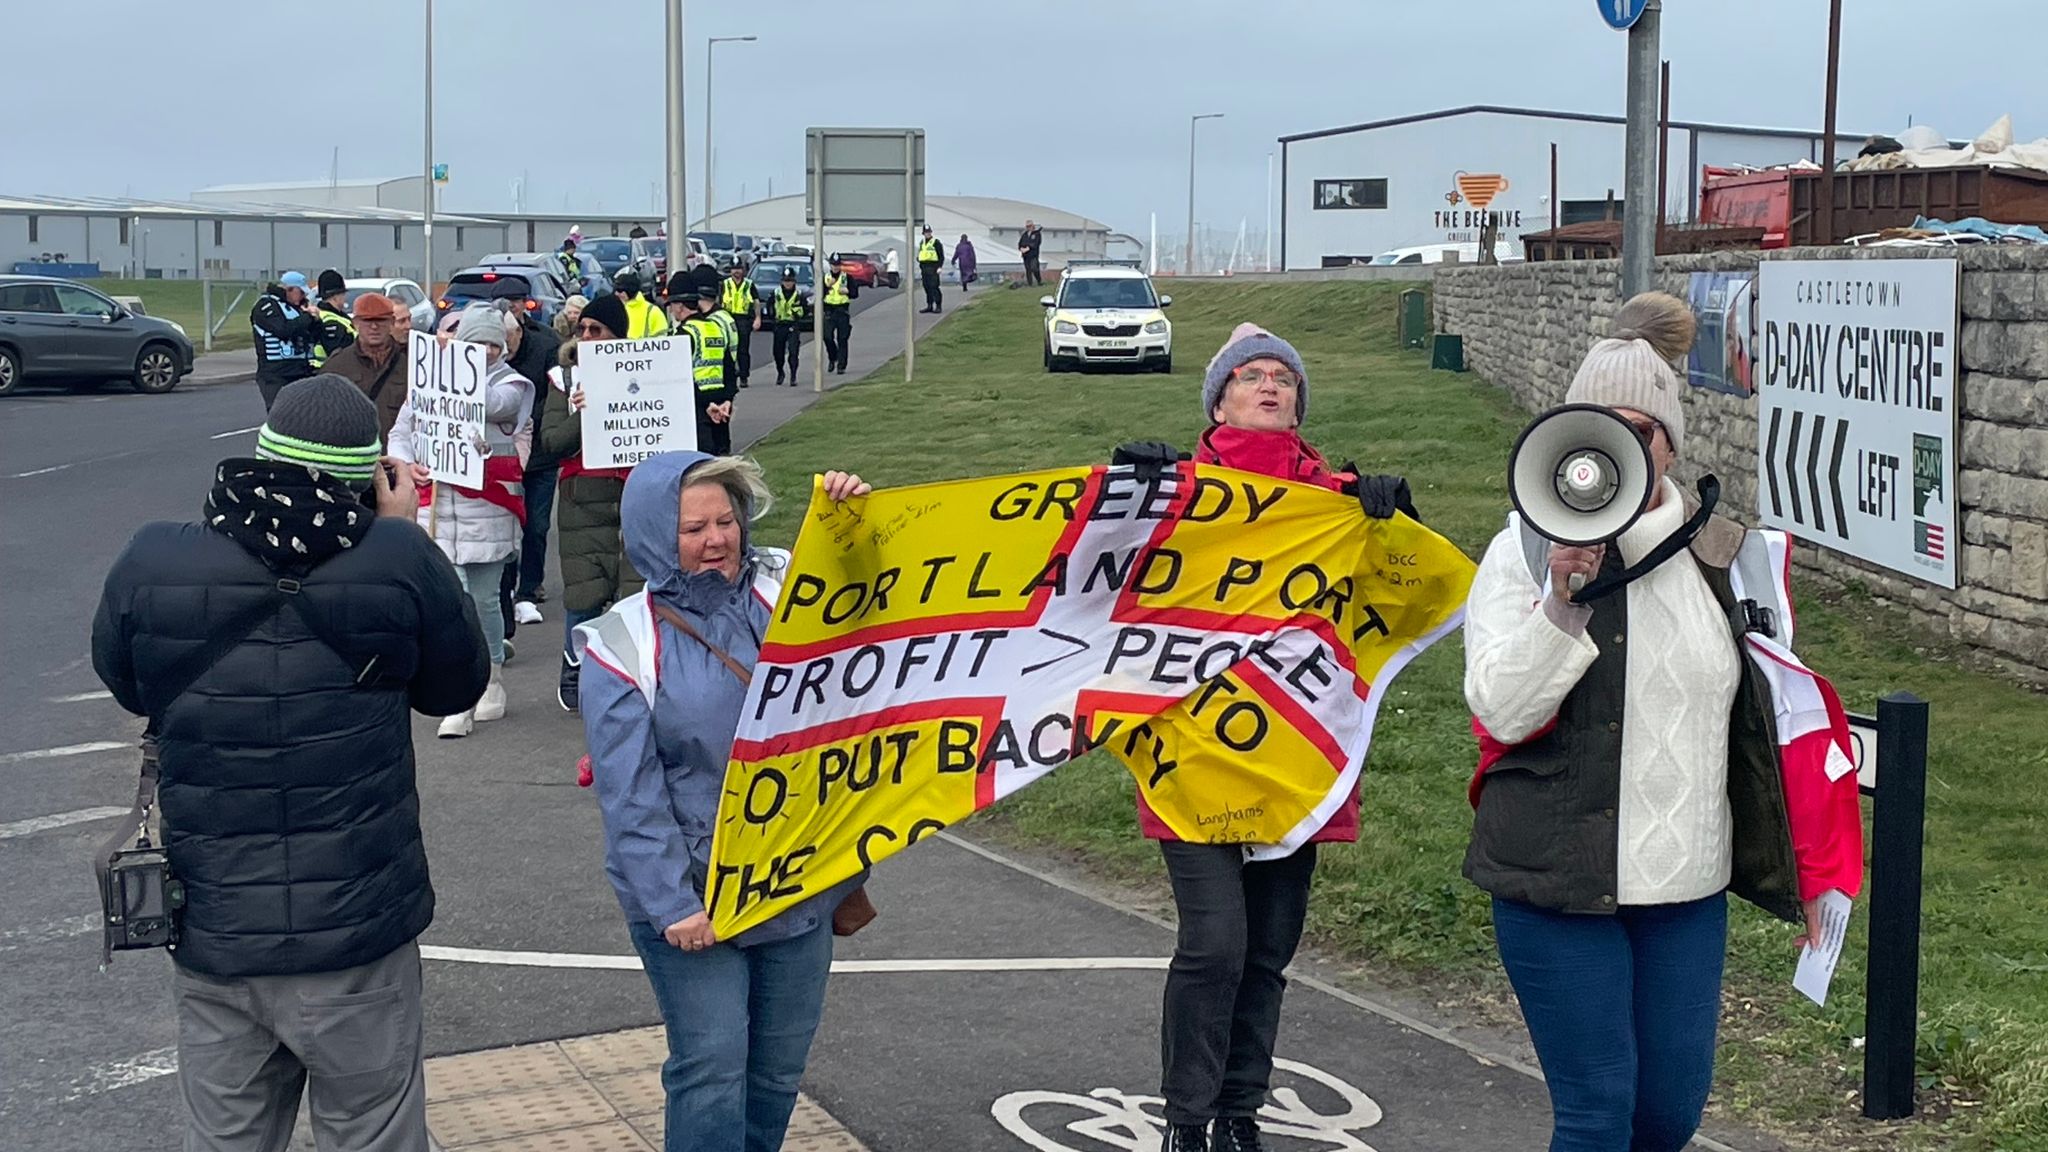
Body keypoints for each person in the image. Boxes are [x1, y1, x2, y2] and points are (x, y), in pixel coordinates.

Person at [1462, 293, 1864, 1152]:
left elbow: (1774, 718)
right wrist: (1561, 604)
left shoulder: (1722, 556)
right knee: (1598, 1114)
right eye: (1596, 424)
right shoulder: (1523, 553)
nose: (1620, 447)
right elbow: (1501, 706)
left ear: (1671, 445)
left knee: (1668, 1116)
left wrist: (1808, 853)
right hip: (1559, 881)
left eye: (1640, 430)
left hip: (1683, 889)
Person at [91, 376, 489, 1152]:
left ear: (263, 455)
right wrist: (400, 531)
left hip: (215, 930)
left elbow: (129, 681)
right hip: (356, 933)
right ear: (365, 474)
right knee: (373, 1132)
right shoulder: (397, 555)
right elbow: (456, 685)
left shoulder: (152, 559)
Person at [1111, 323, 1416, 1152]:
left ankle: (1240, 1115)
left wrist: (1397, 526)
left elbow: (1397, 597)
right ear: (1220, 400)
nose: (1270, 385)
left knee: (1267, 954)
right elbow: (1095, 578)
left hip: (1291, 760)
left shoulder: (1338, 498)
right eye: (1250, 376)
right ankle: (1186, 1120)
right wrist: (1125, 495)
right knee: (1214, 947)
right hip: (1197, 759)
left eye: (1284, 376)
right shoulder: (1175, 486)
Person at [578, 451, 870, 1152]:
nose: (717, 539)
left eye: (724, 520)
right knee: (711, 1069)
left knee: (775, 1074)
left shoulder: (782, 591)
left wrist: (850, 518)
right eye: (692, 528)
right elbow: (630, 793)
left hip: (796, 885)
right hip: (694, 898)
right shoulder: (622, 643)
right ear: (654, 536)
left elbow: (870, 602)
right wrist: (673, 902)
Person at [386, 305, 535, 739]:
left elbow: (491, 404)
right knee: (455, 600)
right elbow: (402, 430)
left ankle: (492, 678)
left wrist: (452, 365)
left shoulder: (512, 383)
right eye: (477, 342)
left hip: (488, 508)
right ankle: (462, 696)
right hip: (439, 510)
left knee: (485, 600)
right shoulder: (428, 381)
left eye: (492, 343)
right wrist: (407, 463)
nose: (485, 351)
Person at [539, 293, 642, 713]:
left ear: (617, 335)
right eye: (582, 330)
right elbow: (551, 442)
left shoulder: (645, 372)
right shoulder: (562, 380)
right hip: (583, 501)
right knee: (585, 590)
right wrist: (587, 412)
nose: (586, 336)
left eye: (596, 330)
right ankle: (575, 664)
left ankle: (628, 673)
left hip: (632, 496)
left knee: (632, 588)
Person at [497, 283, 566, 627]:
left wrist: (524, 415)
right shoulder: (483, 348)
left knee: (536, 525)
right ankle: (504, 587)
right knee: (505, 524)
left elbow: (557, 392)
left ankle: (529, 586)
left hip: (540, 453)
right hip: (501, 456)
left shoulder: (547, 343)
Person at [668, 267, 738, 456]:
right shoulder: (714, 327)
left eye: (672, 305)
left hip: (698, 413)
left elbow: (680, 379)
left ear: (680, 305)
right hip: (721, 412)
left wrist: (706, 406)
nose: (672, 310)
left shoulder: (683, 335)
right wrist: (727, 400)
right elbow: (730, 370)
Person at [323, 291, 410, 442]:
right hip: (354, 459)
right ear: (355, 323)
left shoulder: (412, 363)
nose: (374, 326)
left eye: (380, 320)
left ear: (391, 322)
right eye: (367, 321)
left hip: (399, 459)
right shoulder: (336, 366)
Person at [250, 270, 323, 409]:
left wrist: (316, 321)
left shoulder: (299, 307)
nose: (303, 296)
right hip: (276, 374)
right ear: (288, 290)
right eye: (300, 292)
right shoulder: (266, 307)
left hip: (301, 371)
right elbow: (283, 330)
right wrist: (306, 318)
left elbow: (313, 337)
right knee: (281, 415)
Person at [766, 265, 809, 387]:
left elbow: (805, 310)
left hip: (793, 325)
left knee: (793, 352)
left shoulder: (799, 294)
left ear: (794, 281)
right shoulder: (775, 293)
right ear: (781, 281)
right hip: (779, 326)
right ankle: (780, 372)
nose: (788, 283)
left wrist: (798, 314)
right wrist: (773, 319)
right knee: (778, 353)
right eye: (785, 281)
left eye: (790, 281)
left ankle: (793, 376)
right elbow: (769, 308)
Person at [721, 262, 760, 387]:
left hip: (744, 320)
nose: (736, 271)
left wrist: (758, 318)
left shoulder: (749, 284)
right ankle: (730, 376)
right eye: (733, 269)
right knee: (727, 350)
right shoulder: (725, 284)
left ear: (743, 270)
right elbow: (718, 301)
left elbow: (756, 302)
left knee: (743, 350)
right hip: (728, 319)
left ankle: (744, 376)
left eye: (738, 268)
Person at [310, 269, 356, 369]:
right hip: (329, 372)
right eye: (343, 294)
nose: (344, 298)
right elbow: (339, 353)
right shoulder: (329, 321)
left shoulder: (338, 317)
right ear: (335, 297)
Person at [821, 255, 856, 375]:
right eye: (833, 265)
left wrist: (848, 291)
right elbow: (819, 294)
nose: (835, 267)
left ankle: (841, 365)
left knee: (842, 339)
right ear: (830, 265)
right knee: (827, 337)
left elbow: (855, 293)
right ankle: (833, 357)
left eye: (837, 265)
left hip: (842, 311)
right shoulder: (825, 278)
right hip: (829, 311)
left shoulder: (847, 278)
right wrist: (827, 287)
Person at [616, 270, 670, 340]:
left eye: (620, 290)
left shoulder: (652, 311)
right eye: (615, 290)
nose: (616, 294)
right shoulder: (614, 311)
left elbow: (662, 340)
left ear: (630, 291)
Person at [916, 226, 944, 313]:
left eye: (929, 232)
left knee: (934, 287)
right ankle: (929, 305)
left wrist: (939, 267)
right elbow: (921, 253)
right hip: (924, 267)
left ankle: (938, 306)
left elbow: (941, 256)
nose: (927, 234)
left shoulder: (936, 242)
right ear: (923, 233)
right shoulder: (922, 242)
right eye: (926, 232)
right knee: (927, 287)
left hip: (933, 267)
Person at [1018, 219, 1044, 286]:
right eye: (1027, 226)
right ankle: (1030, 284)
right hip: (1026, 256)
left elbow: (1036, 243)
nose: (1028, 228)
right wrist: (1021, 248)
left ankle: (1039, 281)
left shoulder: (1037, 234)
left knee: (1034, 268)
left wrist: (1028, 248)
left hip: (1033, 255)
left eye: (1030, 226)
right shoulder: (1024, 235)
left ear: (1033, 226)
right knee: (1028, 270)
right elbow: (1020, 243)